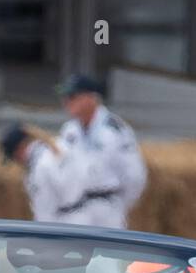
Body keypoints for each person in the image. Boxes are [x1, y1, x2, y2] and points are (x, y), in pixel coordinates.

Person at [54, 73, 146, 228]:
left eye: (72, 96)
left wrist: (117, 204)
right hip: (75, 209)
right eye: (65, 97)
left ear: (92, 97)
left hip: (107, 208)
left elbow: (134, 176)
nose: (66, 101)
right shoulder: (69, 131)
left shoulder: (114, 130)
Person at [0, 123, 66, 223]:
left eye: (14, 158)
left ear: (18, 150)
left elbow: (45, 211)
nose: (17, 163)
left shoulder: (39, 167)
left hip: (64, 225)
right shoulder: (49, 151)